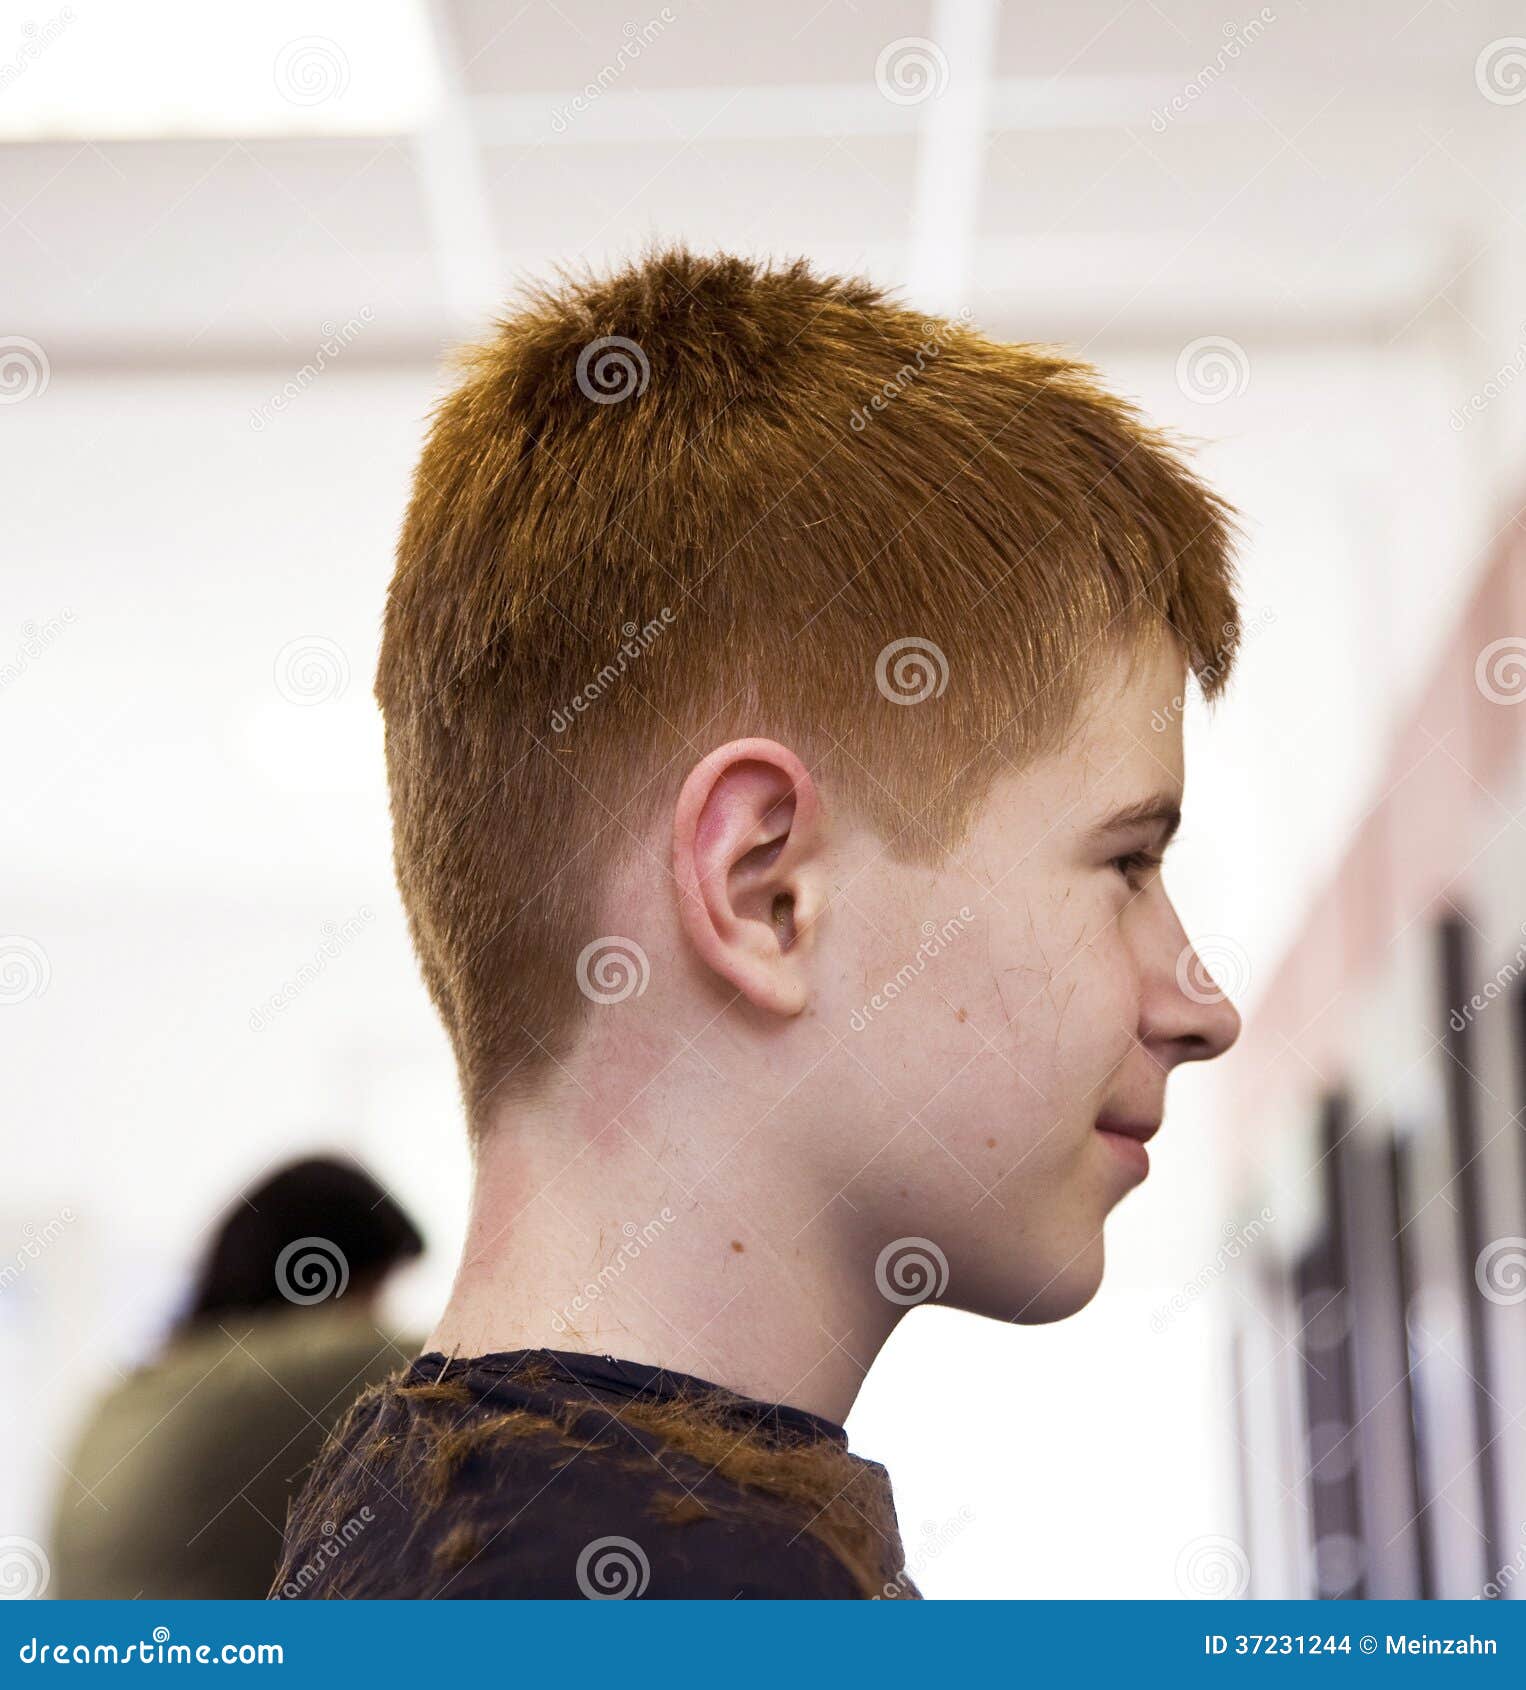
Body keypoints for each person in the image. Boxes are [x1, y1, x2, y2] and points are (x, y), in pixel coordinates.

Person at [273, 246, 1243, 1601]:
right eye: (1127, 860)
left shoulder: (457, 1524)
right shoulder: (655, 1588)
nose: (1200, 1005)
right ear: (765, 891)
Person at [51, 1156, 423, 1599]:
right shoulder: (279, 1373)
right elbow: (468, 1357)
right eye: (374, 1297)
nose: (378, 1321)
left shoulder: (152, 1383)